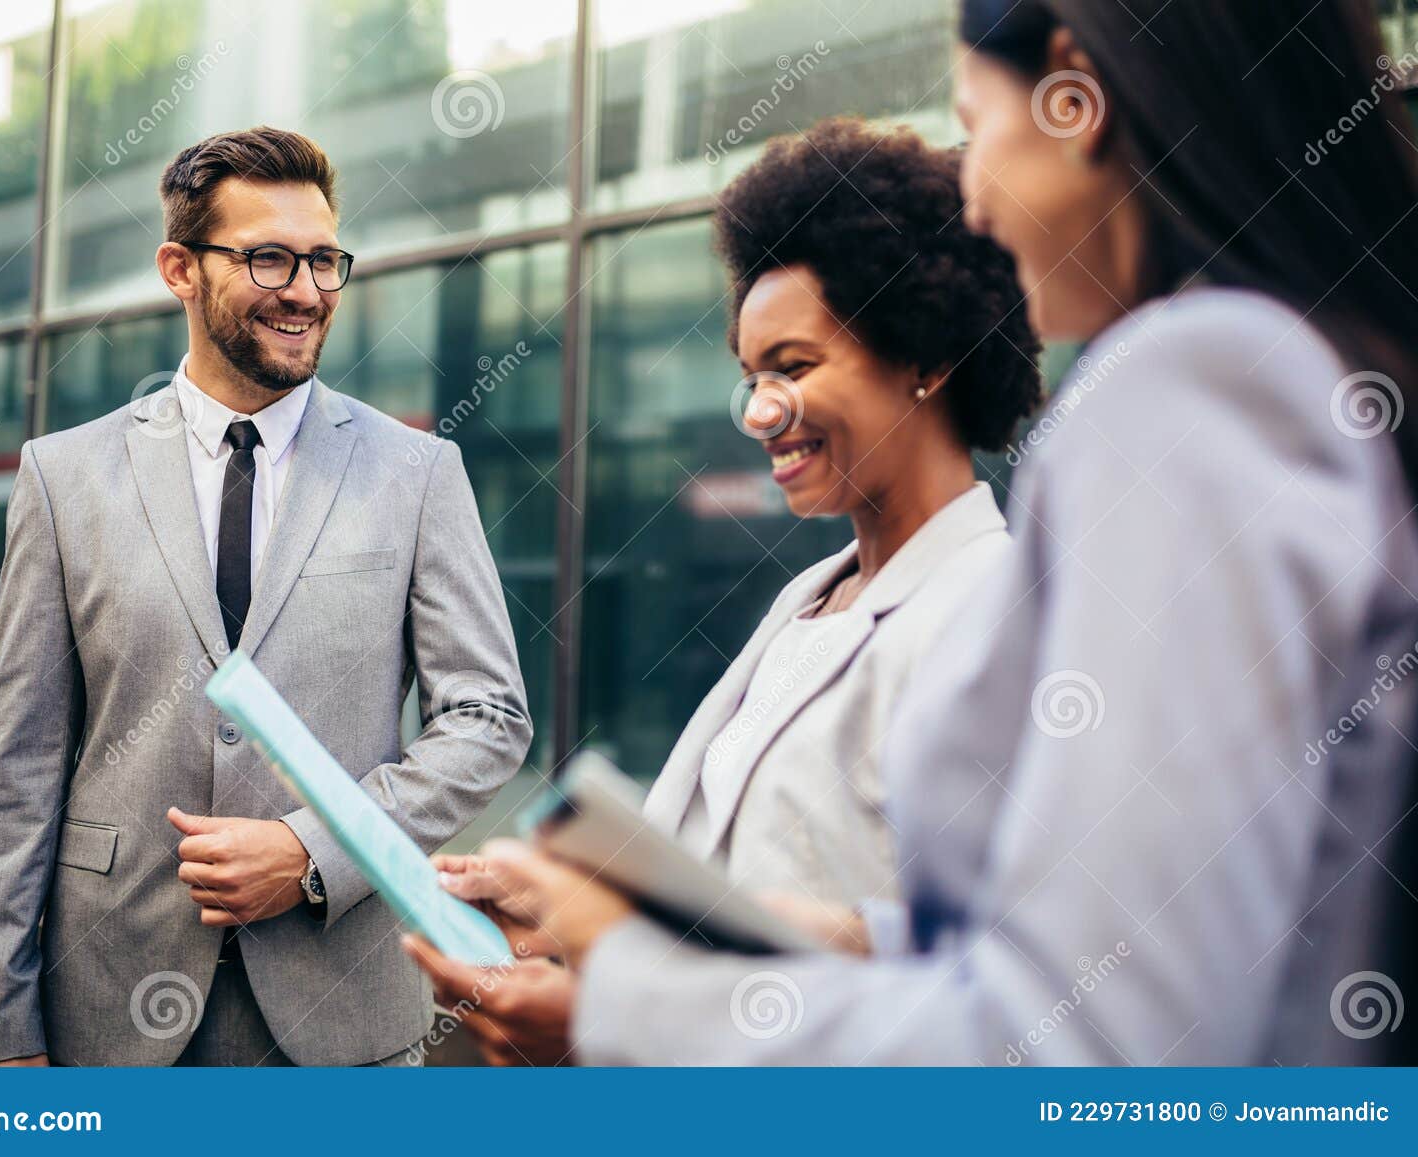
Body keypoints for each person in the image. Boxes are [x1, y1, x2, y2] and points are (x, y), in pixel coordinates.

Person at [420, 0, 1418, 1065]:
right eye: (751, 374)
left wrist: (628, 1009)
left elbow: (1092, 1043)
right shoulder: (1289, 374)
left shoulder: (1187, 386)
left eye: (972, 122)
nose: (974, 198)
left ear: (1073, 93)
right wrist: (730, 935)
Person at [406, 118, 1041, 1064]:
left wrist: (620, 999)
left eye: (793, 367)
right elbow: (747, 877)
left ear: (926, 358)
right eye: (749, 377)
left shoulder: (998, 613)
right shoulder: (808, 600)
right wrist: (581, 914)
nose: (759, 413)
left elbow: (991, 968)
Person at [0, 127, 531, 1067]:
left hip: (343, 1016)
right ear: (180, 268)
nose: (306, 291)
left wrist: (314, 851)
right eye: (269, 257)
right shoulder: (64, 478)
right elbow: (17, 774)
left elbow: (488, 717)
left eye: (324, 261)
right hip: (102, 1012)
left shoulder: (419, 472)